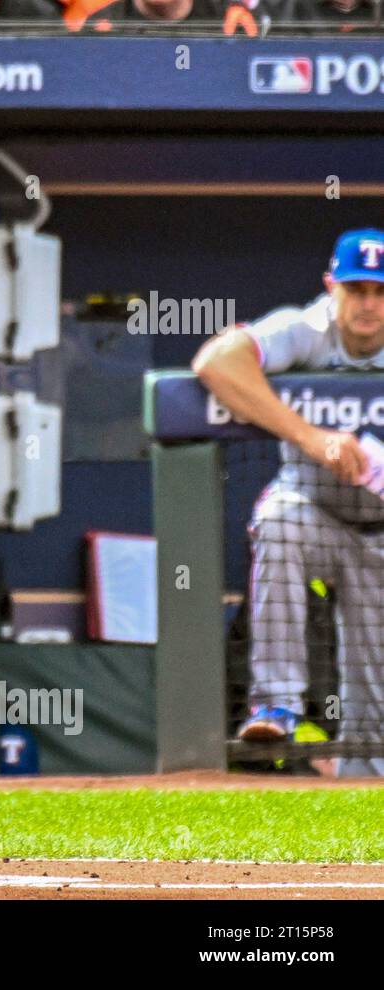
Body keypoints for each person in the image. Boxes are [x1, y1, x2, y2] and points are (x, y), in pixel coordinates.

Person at [193, 228, 384, 777]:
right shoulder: (308, 329)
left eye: (380, 291)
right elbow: (216, 360)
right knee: (279, 519)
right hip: (315, 513)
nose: (369, 303)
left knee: (372, 735)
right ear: (332, 288)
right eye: (356, 289)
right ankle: (274, 704)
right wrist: (314, 437)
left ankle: (355, 850)